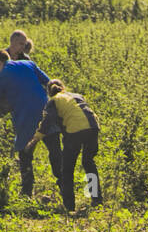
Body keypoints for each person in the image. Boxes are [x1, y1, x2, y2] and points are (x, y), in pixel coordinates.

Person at [0, 49, 60, 198]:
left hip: (25, 116)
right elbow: (50, 83)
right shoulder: (29, 64)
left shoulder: (2, 76)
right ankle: (64, 185)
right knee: (55, 150)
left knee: (24, 153)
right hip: (47, 111)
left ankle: (26, 194)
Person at [25, 79, 101, 213]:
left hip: (74, 132)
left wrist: (35, 140)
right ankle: (96, 199)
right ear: (63, 88)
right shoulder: (77, 96)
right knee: (89, 163)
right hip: (93, 128)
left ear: (49, 92)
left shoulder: (53, 101)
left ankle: (70, 206)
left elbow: (47, 122)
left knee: (67, 170)